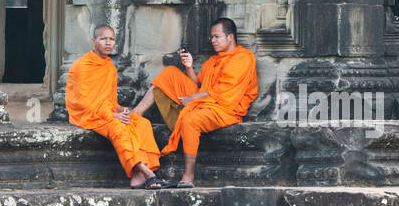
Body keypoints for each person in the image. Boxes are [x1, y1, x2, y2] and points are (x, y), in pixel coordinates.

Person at [131, 18, 257, 187]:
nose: (212, 41)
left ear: (230, 37)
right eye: (212, 37)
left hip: (225, 109)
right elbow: (198, 85)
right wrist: (189, 67)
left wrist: (195, 98)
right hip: (205, 101)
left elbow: (226, 91)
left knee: (191, 120)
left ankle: (188, 176)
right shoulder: (214, 60)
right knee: (169, 73)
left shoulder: (243, 58)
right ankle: (134, 114)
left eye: (216, 36)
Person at [66, 24, 163, 188]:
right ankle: (148, 173)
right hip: (87, 115)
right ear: (93, 41)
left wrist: (120, 110)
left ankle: (138, 177)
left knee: (142, 123)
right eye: (103, 39)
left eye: (111, 39)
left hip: (106, 111)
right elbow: (81, 102)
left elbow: (110, 100)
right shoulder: (81, 66)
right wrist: (112, 116)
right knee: (119, 128)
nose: (108, 43)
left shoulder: (109, 68)